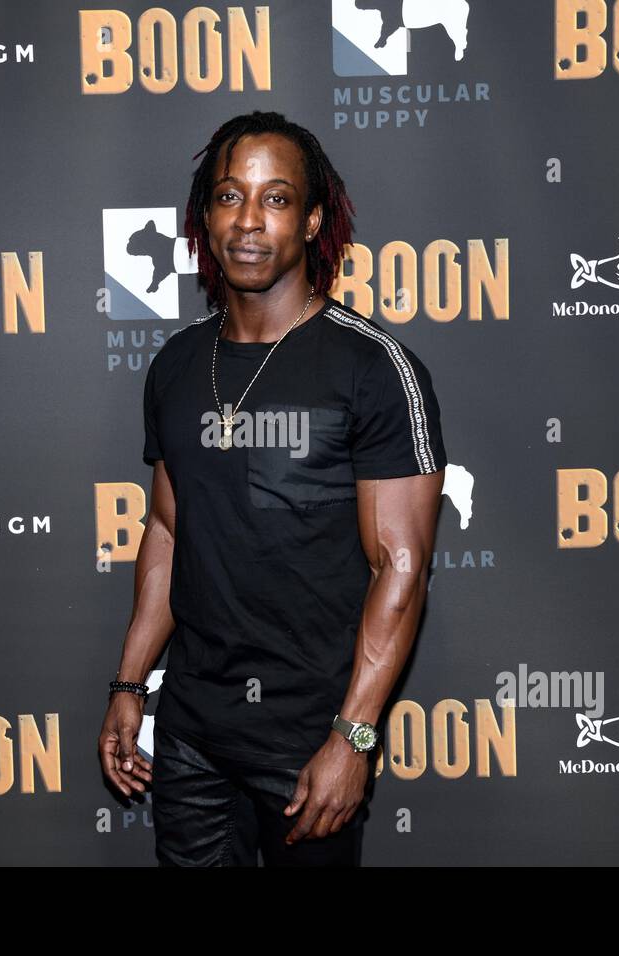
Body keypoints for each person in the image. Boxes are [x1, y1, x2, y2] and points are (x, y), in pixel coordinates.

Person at [98, 110, 447, 866]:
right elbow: (166, 530)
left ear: (313, 219)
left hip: (307, 742)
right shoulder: (178, 365)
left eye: (277, 198)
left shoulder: (373, 367)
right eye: (229, 197)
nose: (249, 221)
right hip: (191, 734)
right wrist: (130, 682)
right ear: (204, 217)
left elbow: (403, 567)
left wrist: (353, 737)